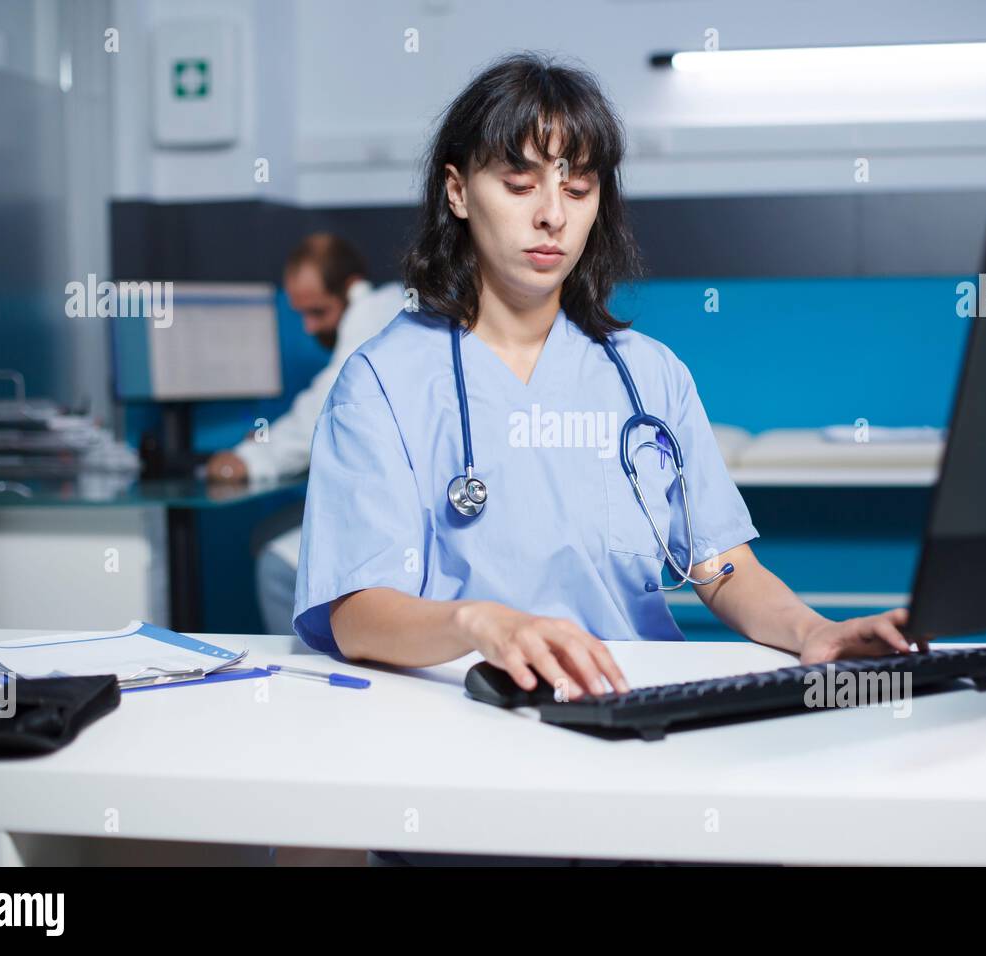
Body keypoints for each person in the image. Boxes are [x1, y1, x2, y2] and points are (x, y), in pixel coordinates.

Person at [292, 53, 927, 866]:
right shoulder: (384, 380)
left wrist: (813, 633)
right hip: (464, 745)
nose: (551, 214)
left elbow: (721, 566)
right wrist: (476, 622)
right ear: (457, 192)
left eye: (578, 187)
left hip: (641, 739)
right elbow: (354, 612)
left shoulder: (648, 374)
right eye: (519, 184)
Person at [206, 234, 404, 634]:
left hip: (397, 506)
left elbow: (327, 406)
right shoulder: (390, 305)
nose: (310, 327)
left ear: (352, 287)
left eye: (318, 312)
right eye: (302, 315)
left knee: (276, 566)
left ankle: (303, 677)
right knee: (268, 532)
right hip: (385, 492)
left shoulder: (373, 315)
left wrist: (248, 458)